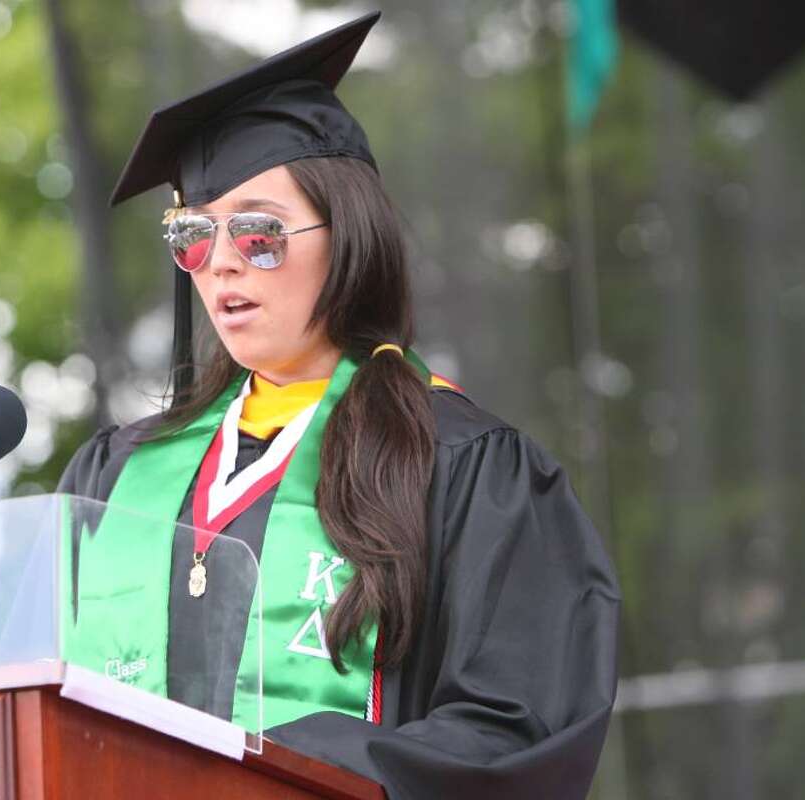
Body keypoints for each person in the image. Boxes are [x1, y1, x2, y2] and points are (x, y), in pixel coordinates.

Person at [57, 12, 619, 799]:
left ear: (347, 233)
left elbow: (515, 730)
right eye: (194, 235)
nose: (221, 265)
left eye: (259, 232)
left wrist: (274, 765)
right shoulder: (116, 476)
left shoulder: (461, 466)